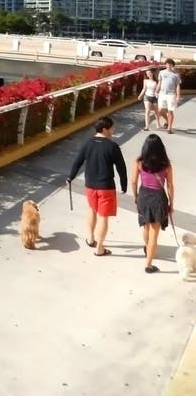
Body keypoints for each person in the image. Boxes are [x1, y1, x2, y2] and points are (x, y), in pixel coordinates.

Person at [66, 115, 127, 256]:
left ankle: (90, 238)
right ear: (105, 129)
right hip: (105, 187)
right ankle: (100, 248)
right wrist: (124, 185)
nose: (113, 129)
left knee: (92, 210)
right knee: (103, 217)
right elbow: (121, 168)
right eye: (112, 127)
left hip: (90, 185)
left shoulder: (88, 143)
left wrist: (70, 177)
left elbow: (78, 162)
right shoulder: (112, 146)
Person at [130, 134, 174, 273]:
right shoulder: (166, 165)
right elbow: (170, 186)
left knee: (146, 227)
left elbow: (133, 181)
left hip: (143, 195)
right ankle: (148, 264)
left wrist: (136, 196)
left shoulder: (139, 162)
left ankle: (146, 247)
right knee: (154, 234)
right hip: (158, 198)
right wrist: (171, 204)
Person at [156, 58, 181, 134]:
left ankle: (169, 128)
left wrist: (178, 96)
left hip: (171, 94)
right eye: (167, 64)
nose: (168, 65)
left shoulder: (176, 74)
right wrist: (156, 91)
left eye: (170, 64)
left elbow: (177, 86)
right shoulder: (161, 72)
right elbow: (159, 83)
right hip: (162, 94)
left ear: (172, 65)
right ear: (165, 65)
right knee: (160, 110)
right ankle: (167, 121)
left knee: (170, 111)